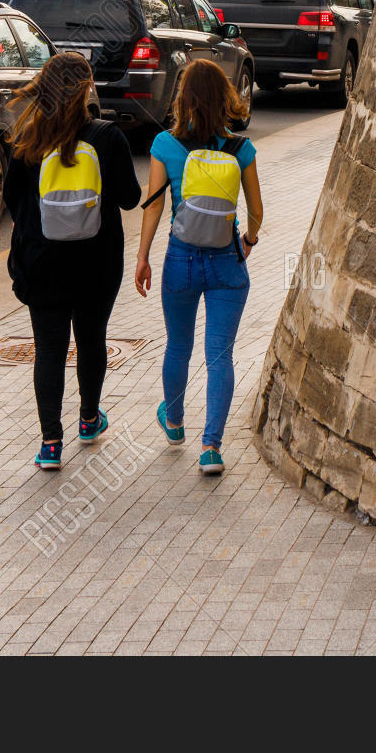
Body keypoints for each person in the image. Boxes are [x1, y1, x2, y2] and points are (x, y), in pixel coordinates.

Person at [6, 53, 141, 470]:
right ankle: (88, 419)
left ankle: (50, 443)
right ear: (87, 90)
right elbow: (130, 198)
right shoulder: (107, 137)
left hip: (42, 263)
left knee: (48, 348)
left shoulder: (27, 139)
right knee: (90, 340)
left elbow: (14, 203)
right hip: (96, 263)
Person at [135, 59, 263, 477]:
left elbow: (153, 210)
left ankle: (174, 423)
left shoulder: (164, 145)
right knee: (219, 355)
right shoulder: (241, 149)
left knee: (178, 346)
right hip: (227, 261)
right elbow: (257, 214)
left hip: (181, 260)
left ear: (183, 98)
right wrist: (246, 243)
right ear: (226, 98)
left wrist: (142, 257)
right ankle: (211, 448)